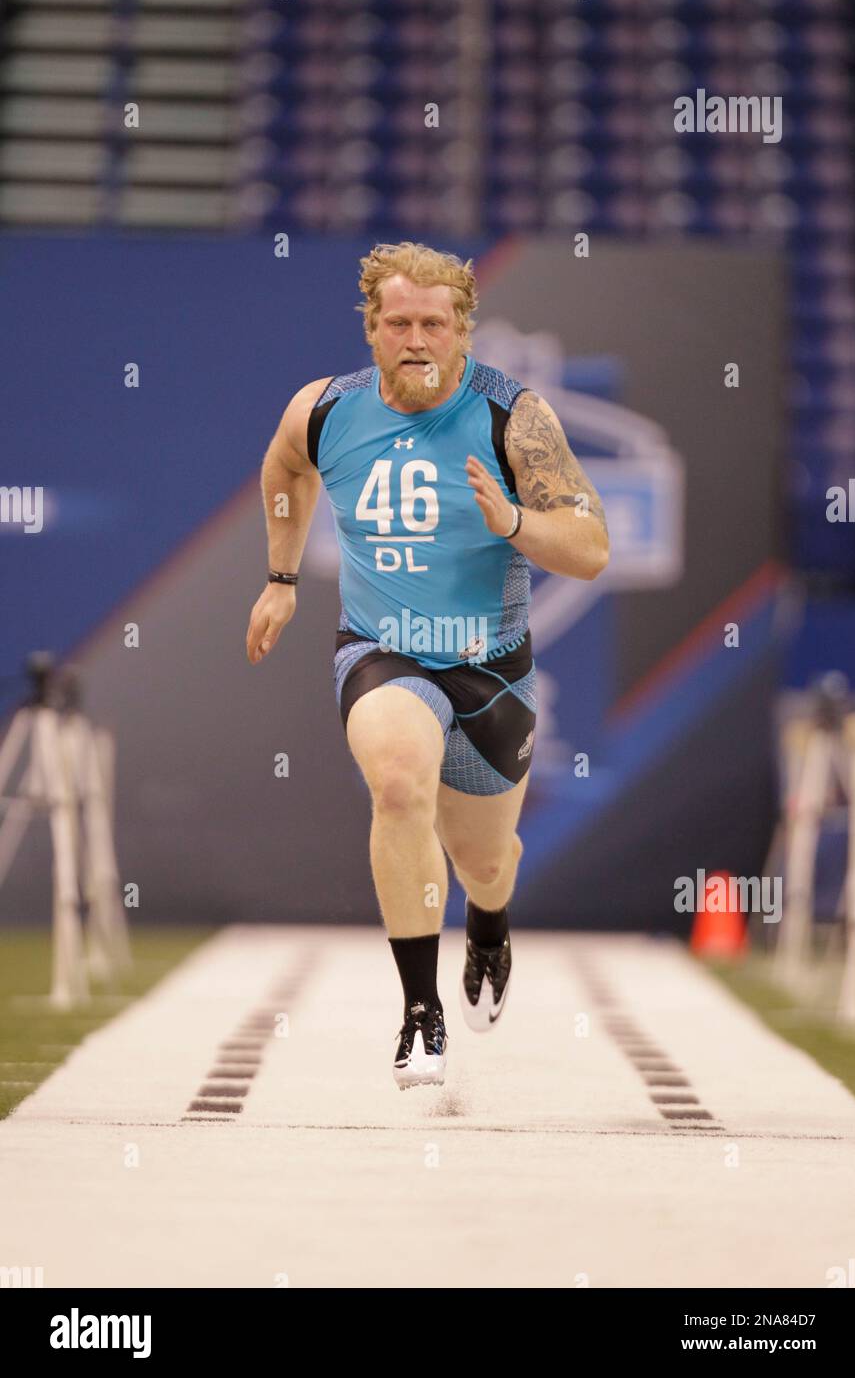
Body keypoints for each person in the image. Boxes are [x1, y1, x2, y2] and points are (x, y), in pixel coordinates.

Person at [246, 241, 608, 1090]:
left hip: (492, 670)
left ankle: (489, 919)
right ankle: (420, 1010)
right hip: (383, 650)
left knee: (484, 859)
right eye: (399, 323)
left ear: (463, 333)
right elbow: (284, 468)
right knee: (401, 782)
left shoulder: (514, 417)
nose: (417, 340)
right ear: (371, 331)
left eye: (434, 324)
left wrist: (514, 522)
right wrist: (280, 577)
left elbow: (590, 549)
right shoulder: (324, 410)